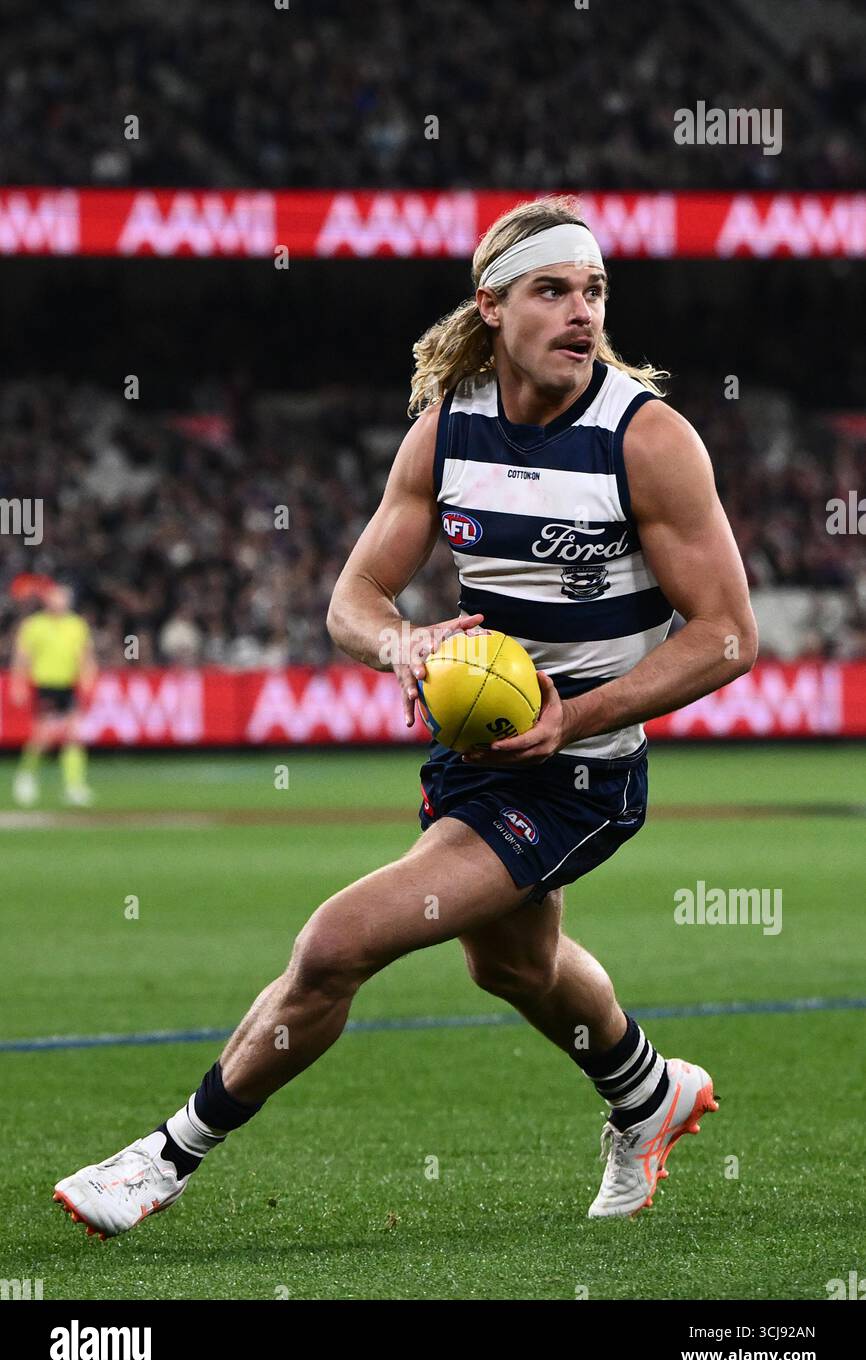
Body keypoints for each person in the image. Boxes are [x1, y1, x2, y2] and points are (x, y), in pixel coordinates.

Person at [53, 195, 757, 1239]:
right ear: (491, 306)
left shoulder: (645, 440)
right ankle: (646, 1092)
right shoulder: (446, 430)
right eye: (551, 290)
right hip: (476, 753)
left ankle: (162, 1158)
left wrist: (574, 716)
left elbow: (727, 635)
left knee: (338, 942)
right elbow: (351, 600)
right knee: (510, 962)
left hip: (578, 771)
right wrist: (402, 643)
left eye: (594, 291)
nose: (580, 312)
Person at [11, 582, 97, 808]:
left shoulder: (77, 625)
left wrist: (88, 676)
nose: (61, 602)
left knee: (74, 735)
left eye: (64, 598)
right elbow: (22, 657)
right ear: (47, 600)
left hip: (68, 686)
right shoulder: (34, 625)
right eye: (57, 598)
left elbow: (85, 655)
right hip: (45, 685)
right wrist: (18, 683)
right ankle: (26, 776)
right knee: (43, 735)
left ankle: (74, 785)